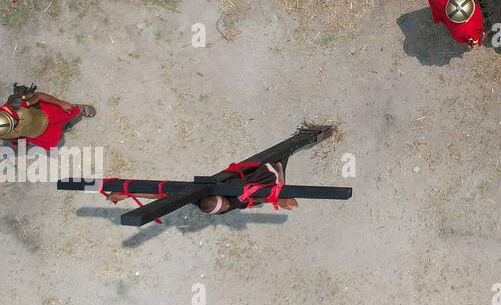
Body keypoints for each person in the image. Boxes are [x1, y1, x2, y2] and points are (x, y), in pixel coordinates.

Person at [105, 161, 300, 215]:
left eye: (224, 206)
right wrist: (128, 193)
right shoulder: (199, 197)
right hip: (248, 192)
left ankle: (279, 169)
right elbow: (162, 195)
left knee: (273, 181)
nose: (225, 207)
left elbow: (261, 195)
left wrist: (280, 199)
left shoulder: (235, 191)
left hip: (256, 182)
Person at [1, 84, 94, 151]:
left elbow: (39, 96)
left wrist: (61, 103)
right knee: (54, 139)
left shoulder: (16, 104)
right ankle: (61, 128)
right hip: (36, 132)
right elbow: (6, 137)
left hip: (44, 115)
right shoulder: (2, 132)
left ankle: (78, 109)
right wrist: (17, 142)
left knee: (67, 110)